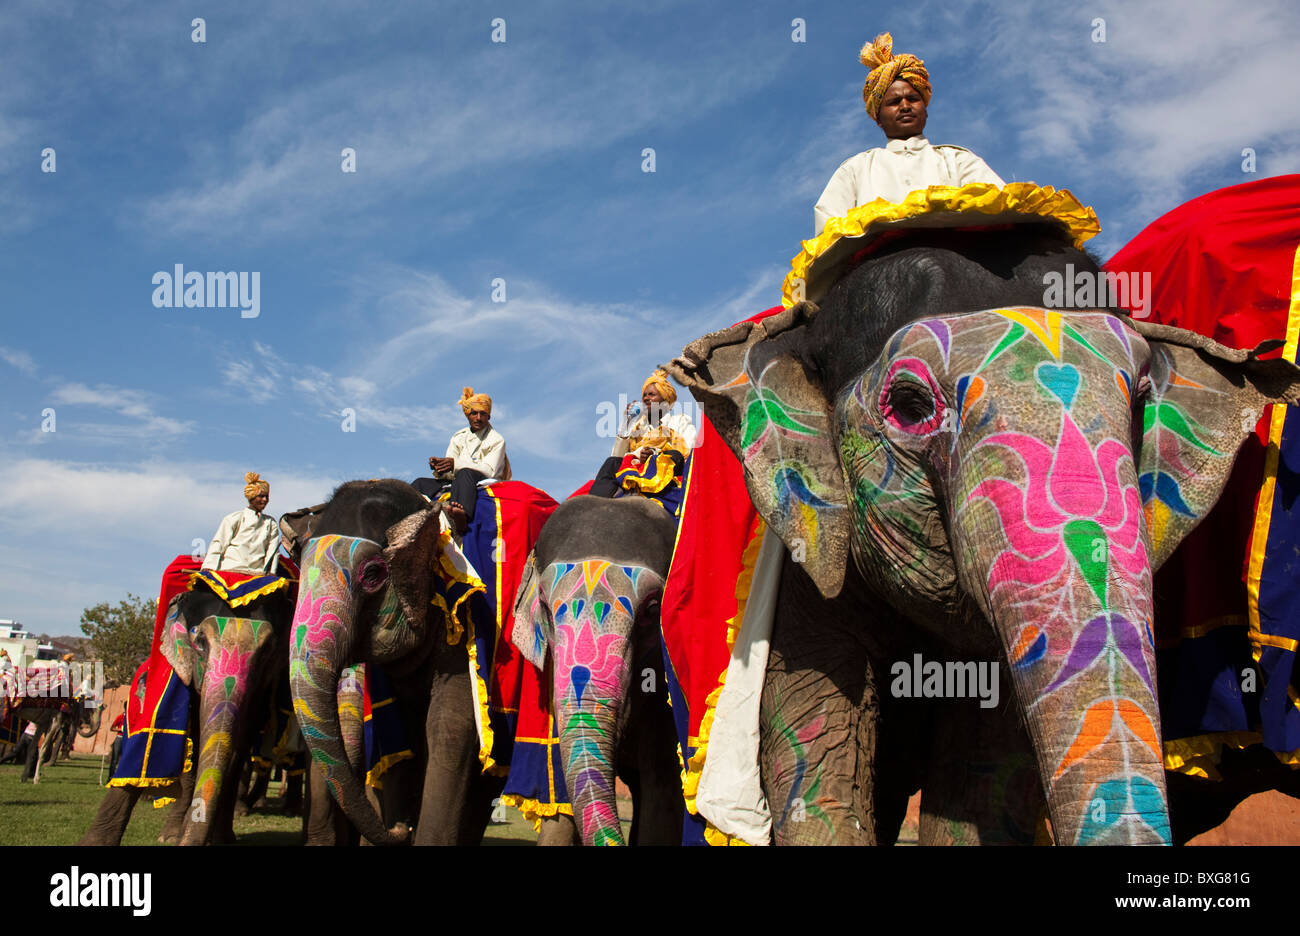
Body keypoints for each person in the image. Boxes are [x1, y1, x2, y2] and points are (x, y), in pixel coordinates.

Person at [813, 33, 1005, 236]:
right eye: (894, 102)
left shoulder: (958, 160)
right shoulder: (855, 170)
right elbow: (829, 234)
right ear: (878, 117)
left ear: (925, 107)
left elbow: (1003, 210)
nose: (905, 106)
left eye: (912, 99)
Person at [413, 387, 509, 533]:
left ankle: (462, 516)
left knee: (465, 473)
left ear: (488, 417)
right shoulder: (458, 436)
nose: (478, 418)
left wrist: (454, 464)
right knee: (420, 482)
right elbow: (450, 470)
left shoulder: (497, 439)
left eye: (483, 414)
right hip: (457, 479)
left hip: (482, 481)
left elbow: (489, 471)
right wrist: (441, 467)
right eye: (474, 413)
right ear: (467, 416)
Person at [591, 371, 695, 499]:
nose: (646, 398)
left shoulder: (680, 421)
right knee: (611, 462)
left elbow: (689, 452)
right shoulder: (637, 427)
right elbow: (617, 456)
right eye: (644, 395)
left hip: (665, 470)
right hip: (635, 468)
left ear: (666, 400)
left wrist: (654, 453)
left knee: (674, 455)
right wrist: (626, 423)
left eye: (652, 394)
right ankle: (595, 504)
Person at [202, 472, 282, 573]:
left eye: (266, 496)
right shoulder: (234, 518)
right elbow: (219, 543)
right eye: (261, 496)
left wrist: (271, 572)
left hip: (256, 574)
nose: (265, 500)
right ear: (251, 497)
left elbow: (273, 551)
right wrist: (209, 566)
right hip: (230, 570)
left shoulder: (270, 523)